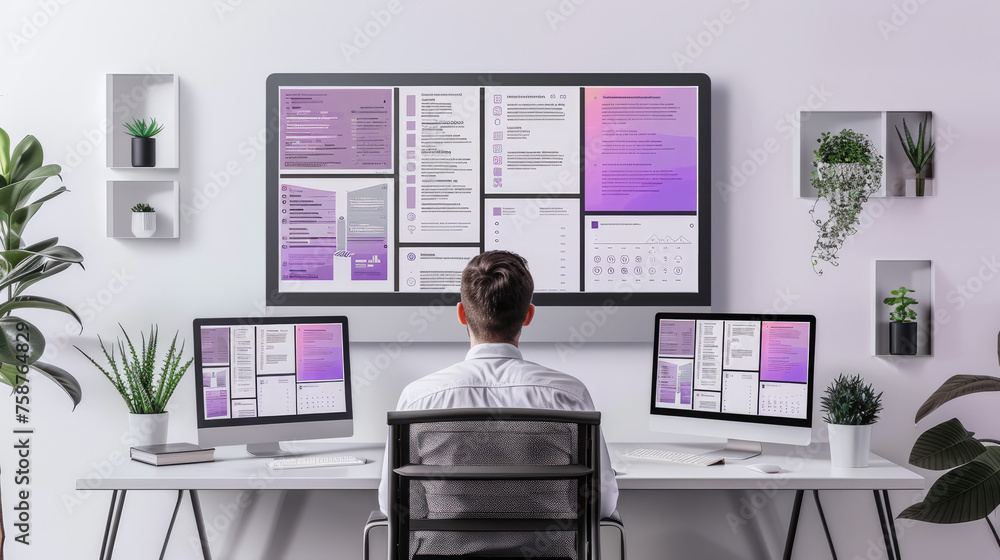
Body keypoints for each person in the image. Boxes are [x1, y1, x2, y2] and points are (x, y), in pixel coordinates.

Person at [378, 250, 619, 519]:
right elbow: (601, 505)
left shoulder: (418, 399)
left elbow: (396, 506)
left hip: (444, 546)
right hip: (547, 545)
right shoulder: (569, 396)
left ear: (461, 313)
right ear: (528, 315)